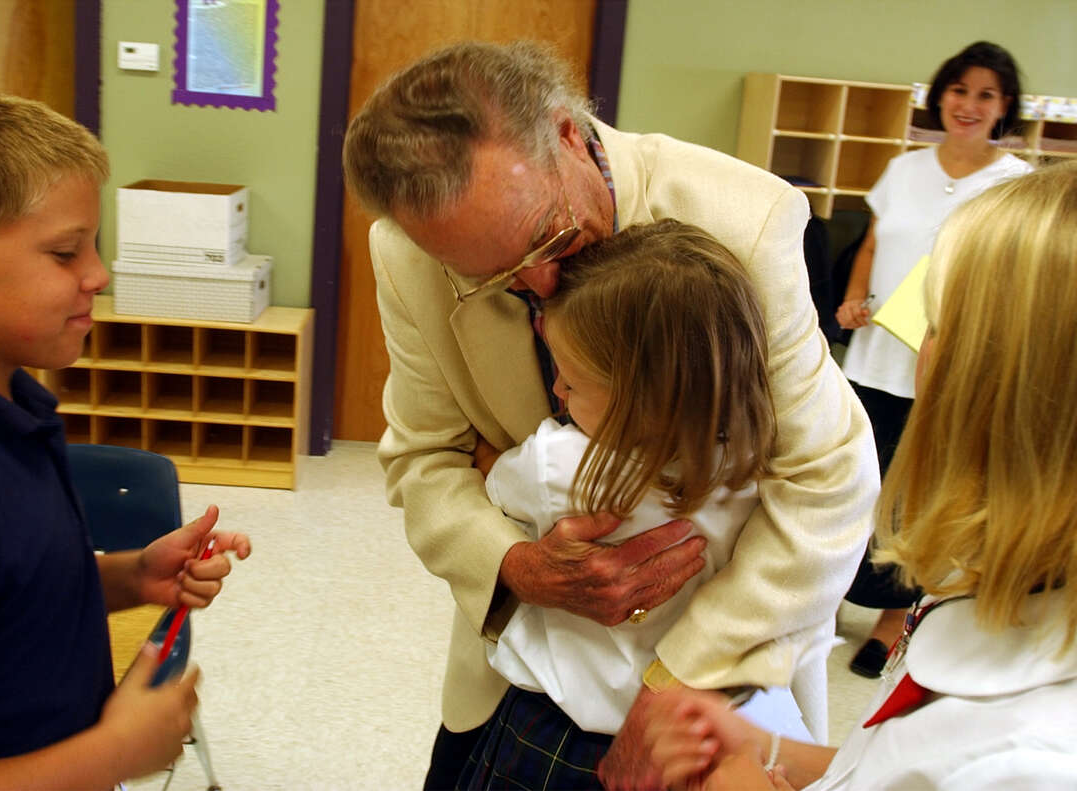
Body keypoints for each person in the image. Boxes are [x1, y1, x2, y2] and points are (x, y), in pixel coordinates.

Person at [342, 40, 878, 789]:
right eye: (489, 278)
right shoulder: (406, 253)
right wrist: (518, 564)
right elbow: (423, 458)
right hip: (519, 672)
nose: (540, 284)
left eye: (550, 238)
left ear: (569, 134)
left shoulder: (743, 219)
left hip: (713, 678)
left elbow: (829, 481)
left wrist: (674, 684)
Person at [642, 161, 1077, 791]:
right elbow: (893, 768)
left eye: (937, 325)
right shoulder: (997, 594)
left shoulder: (1036, 760)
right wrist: (765, 749)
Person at [0, 83, 252, 789]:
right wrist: (108, 757)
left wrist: (129, 575)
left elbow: (4, 593)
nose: (99, 274)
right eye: (64, 253)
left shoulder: (6, 406)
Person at [462, 219, 816, 788]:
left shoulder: (564, 466)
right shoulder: (752, 458)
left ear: (637, 399)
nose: (558, 393)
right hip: (691, 738)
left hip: (562, 730)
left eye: (573, 384)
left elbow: (495, 483)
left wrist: (483, 453)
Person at [833, 41, 1033, 678]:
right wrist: (852, 298)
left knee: (912, 499)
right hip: (870, 360)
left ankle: (894, 620)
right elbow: (872, 244)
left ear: (1005, 107)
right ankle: (827, 598)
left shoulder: (1016, 185)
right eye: (959, 90)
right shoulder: (904, 169)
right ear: (940, 96)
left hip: (943, 370)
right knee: (849, 484)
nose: (969, 105)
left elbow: (1014, 282)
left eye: (986, 94)